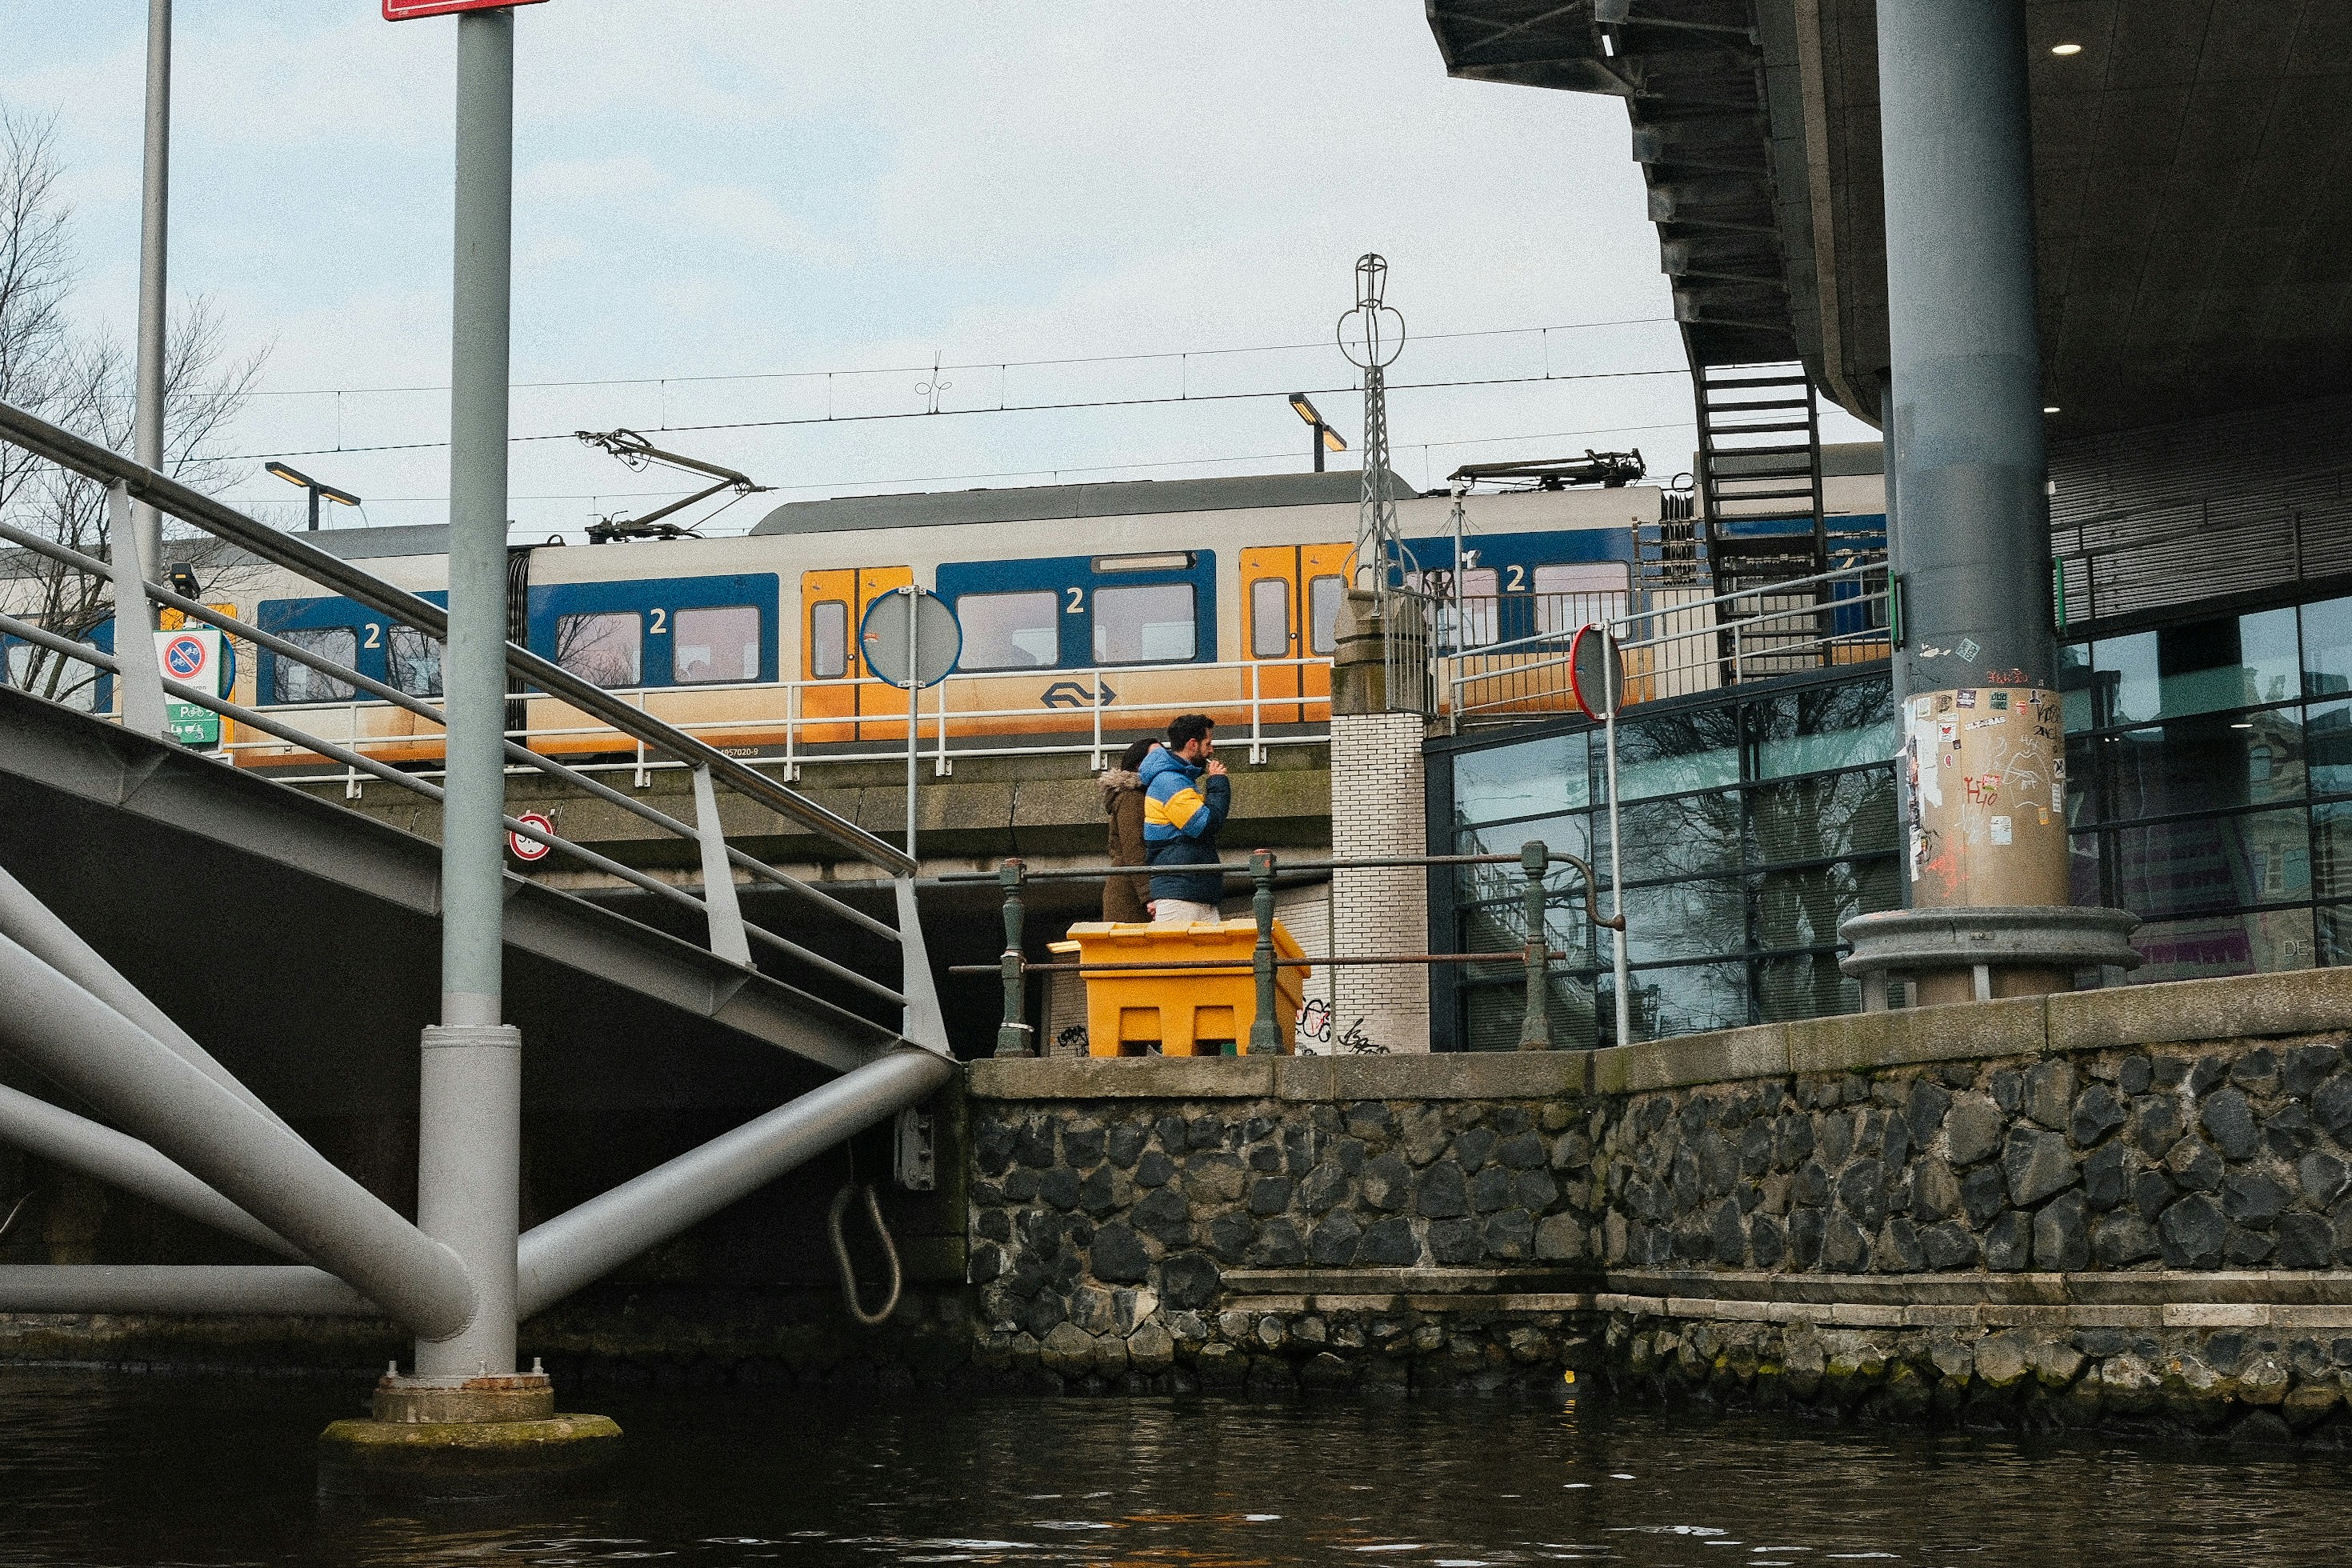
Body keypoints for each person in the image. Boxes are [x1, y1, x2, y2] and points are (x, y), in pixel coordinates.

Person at [1141, 713, 1230, 924]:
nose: (1211, 749)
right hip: (1181, 894)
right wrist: (1218, 784)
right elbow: (1204, 824)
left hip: (1191, 890)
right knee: (1176, 957)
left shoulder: (1179, 779)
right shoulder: (1170, 782)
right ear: (1192, 744)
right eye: (1208, 743)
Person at [1098, 738, 1156, 922]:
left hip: (1130, 889)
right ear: (1140, 765)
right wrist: (1149, 896)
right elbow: (1134, 847)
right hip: (1130, 897)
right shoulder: (1132, 797)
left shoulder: (1138, 796)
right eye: (1156, 756)